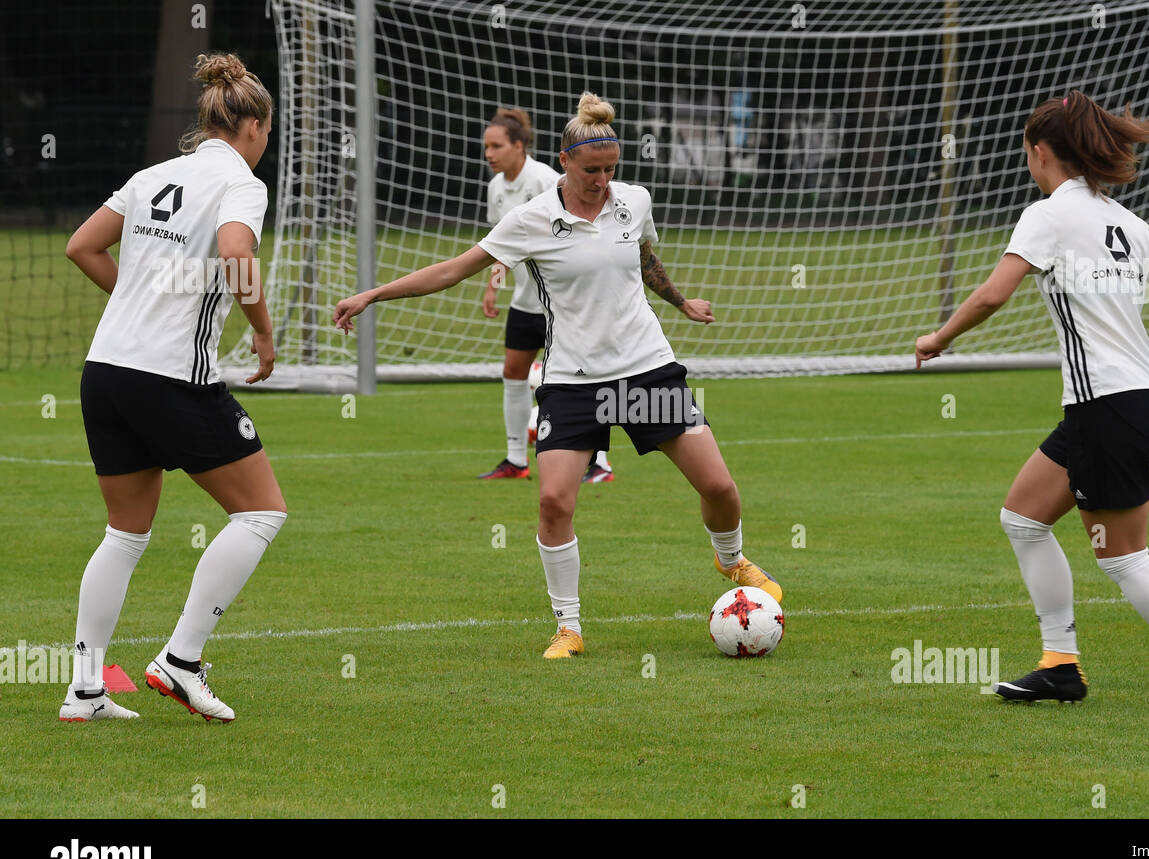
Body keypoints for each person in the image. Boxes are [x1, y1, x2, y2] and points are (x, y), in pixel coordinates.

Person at [335, 92, 781, 658]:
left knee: (718, 486)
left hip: (648, 372)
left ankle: (731, 557)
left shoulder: (634, 201)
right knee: (553, 502)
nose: (602, 181)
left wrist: (678, 301)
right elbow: (454, 269)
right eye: (592, 171)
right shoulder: (531, 219)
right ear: (565, 162)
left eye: (610, 170)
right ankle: (569, 627)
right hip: (573, 383)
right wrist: (374, 294)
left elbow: (644, 259)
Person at [914, 89, 1149, 715]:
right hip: (1136, 400)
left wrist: (939, 337)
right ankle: (1059, 667)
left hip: (1108, 406)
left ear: (1040, 151)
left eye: (1027, 150)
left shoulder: (1046, 215)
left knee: (1125, 558)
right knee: (1022, 518)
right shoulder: (1128, 221)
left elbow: (993, 295)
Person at [60, 52, 287, 723]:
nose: (265, 144)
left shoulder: (154, 173)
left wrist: (135, 296)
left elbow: (81, 245)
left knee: (125, 534)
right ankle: (180, 660)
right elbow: (239, 254)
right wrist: (265, 334)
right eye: (267, 133)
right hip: (168, 376)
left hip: (105, 372)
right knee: (261, 511)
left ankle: (83, 691)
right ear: (251, 129)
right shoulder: (241, 184)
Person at [477, 108, 614, 483]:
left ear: (519, 147)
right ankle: (515, 460)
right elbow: (500, 246)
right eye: (486, 146)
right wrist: (494, 284)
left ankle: (600, 463)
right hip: (525, 301)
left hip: (562, 305)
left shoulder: (547, 181)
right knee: (513, 372)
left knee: (581, 379)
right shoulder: (495, 188)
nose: (489, 153)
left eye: (496, 146)